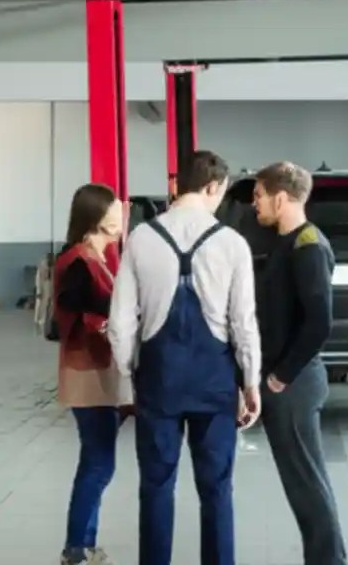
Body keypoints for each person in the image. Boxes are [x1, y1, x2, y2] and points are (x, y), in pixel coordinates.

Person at [107, 150, 263, 565]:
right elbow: (243, 321)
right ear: (214, 187)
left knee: (156, 486)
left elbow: (121, 322)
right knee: (217, 490)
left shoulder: (141, 238)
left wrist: (127, 377)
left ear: (177, 186)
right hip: (214, 384)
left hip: (158, 382)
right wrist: (250, 381)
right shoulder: (232, 244)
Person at [250, 161, 348, 565]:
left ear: (280, 197)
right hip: (287, 380)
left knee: (306, 484)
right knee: (304, 483)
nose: (255, 205)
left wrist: (279, 377)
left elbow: (319, 323)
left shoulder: (307, 246)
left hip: (294, 384)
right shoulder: (284, 242)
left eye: (258, 196)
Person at [52, 183, 132, 565]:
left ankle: (83, 543)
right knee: (99, 461)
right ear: (96, 215)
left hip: (102, 369)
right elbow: (74, 305)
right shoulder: (78, 262)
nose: (121, 216)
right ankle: (76, 548)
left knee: (97, 459)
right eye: (115, 210)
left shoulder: (101, 256)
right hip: (87, 372)